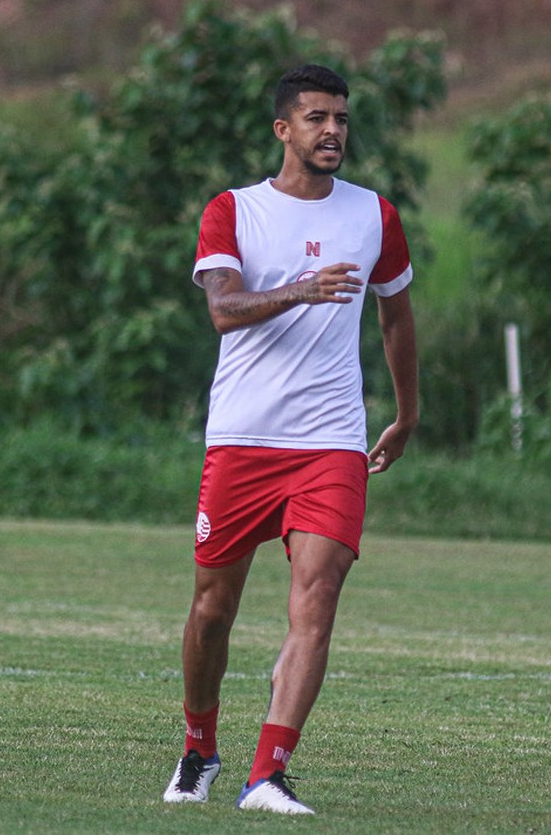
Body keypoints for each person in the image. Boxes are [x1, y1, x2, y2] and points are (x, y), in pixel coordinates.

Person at [161, 64, 419, 815]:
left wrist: (406, 415)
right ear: (284, 129)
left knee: (319, 595)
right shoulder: (233, 210)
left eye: (340, 117)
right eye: (316, 118)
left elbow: (396, 316)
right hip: (242, 436)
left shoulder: (375, 215)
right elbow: (224, 309)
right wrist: (300, 290)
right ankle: (199, 748)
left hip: (331, 440)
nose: (332, 130)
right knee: (213, 608)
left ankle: (266, 774)